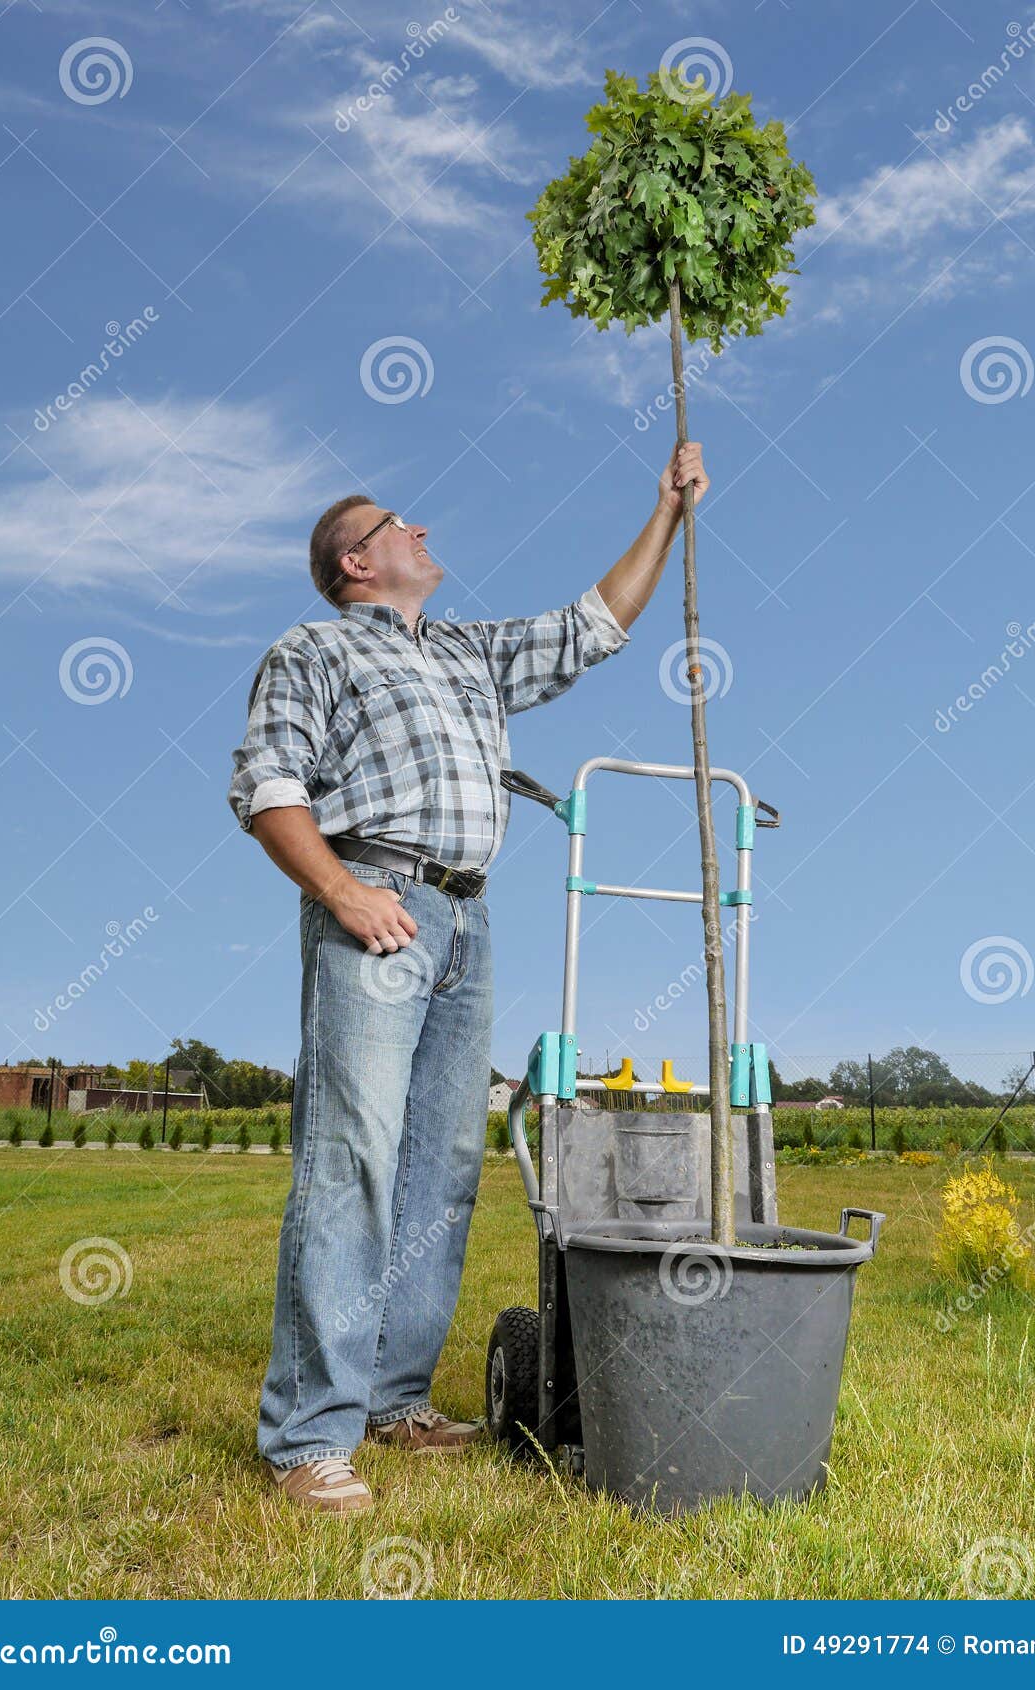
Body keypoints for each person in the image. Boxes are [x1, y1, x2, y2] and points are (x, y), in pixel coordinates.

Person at [227, 442, 710, 1512]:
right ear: (356, 562)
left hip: (468, 916)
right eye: (401, 524)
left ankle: (395, 1396)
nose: (423, 533)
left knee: (442, 1169)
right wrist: (343, 893)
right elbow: (266, 787)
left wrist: (666, 511)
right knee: (349, 1156)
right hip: (377, 901)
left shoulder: (466, 654)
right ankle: (309, 1434)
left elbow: (595, 625)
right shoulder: (312, 649)